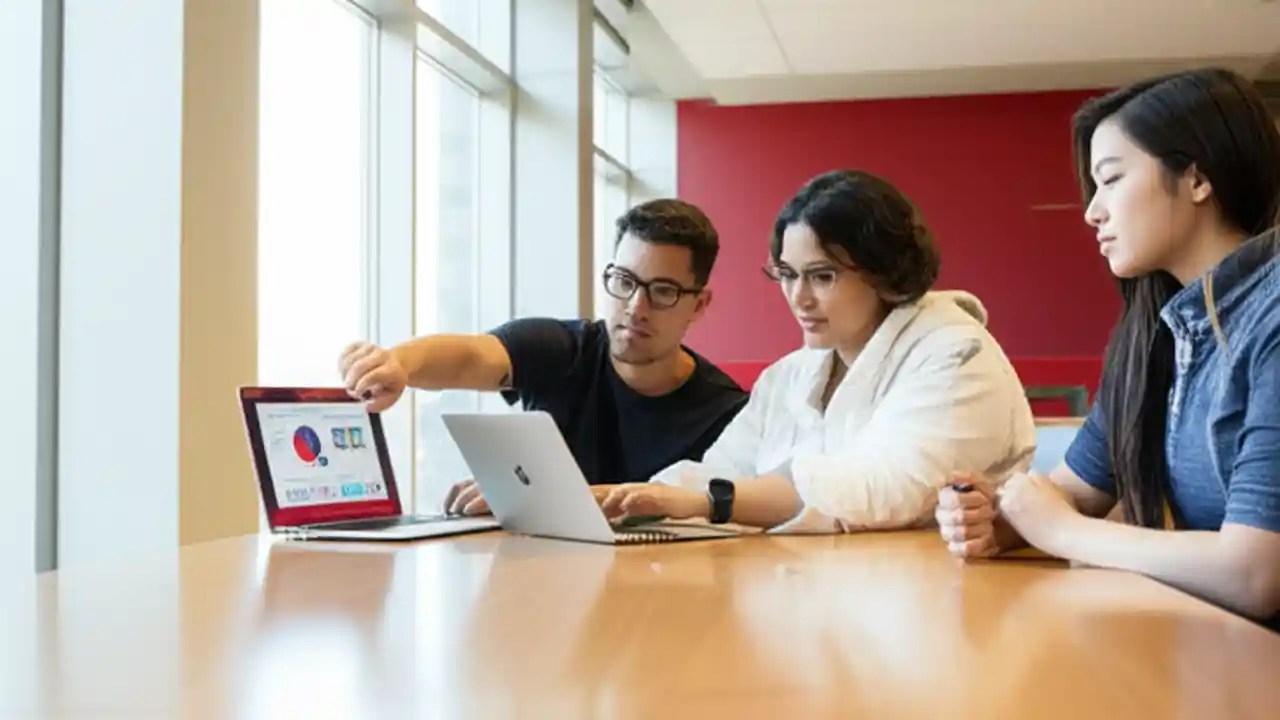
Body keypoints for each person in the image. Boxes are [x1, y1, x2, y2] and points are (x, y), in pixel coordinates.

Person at [935, 68, 1280, 630]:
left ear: (1196, 179)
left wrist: (1062, 532)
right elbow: (1073, 493)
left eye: (1111, 180)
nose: (1092, 210)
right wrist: (992, 517)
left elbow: (1257, 572)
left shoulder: (1271, 313)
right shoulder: (1161, 336)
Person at [596, 170, 1036, 532]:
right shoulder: (787, 376)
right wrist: (631, 498)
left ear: (886, 273)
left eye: (822, 277)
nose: (798, 298)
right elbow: (720, 470)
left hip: (930, 600)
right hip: (808, 592)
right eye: (788, 274)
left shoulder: (958, 354)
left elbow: (884, 494)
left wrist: (704, 502)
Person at [339, 199, 748, 515]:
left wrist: (531, 494)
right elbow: (471, 357)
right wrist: (399, 364)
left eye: (662, 291)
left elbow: (718, 516)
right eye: (624, 282)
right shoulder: (562, 349)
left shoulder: (726, 412)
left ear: (698, 305)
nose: (636, 306)